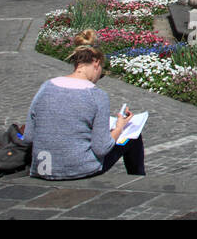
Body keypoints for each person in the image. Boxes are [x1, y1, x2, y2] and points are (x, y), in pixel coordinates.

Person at [20, 30, 145, 179]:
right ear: (96, 63)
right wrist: (119, 127)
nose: (99, 77)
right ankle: (139, 180)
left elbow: (28, 137)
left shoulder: (46, 86)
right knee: (133, 137)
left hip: (42, 168)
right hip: (79, 170)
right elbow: (101, 148)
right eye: (101, 72)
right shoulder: (97, 95)